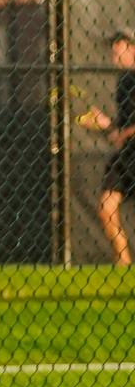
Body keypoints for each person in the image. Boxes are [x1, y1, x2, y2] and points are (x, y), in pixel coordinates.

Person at [81, 29, 135, 266]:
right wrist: (104, 125)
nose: (114, 59)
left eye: (118, 53)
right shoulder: (123, 82)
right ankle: (123, 264)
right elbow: (121, 129)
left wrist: (121, 133)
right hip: (126, 155)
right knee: (106, 207)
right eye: (112, 55)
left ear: (132, 48)